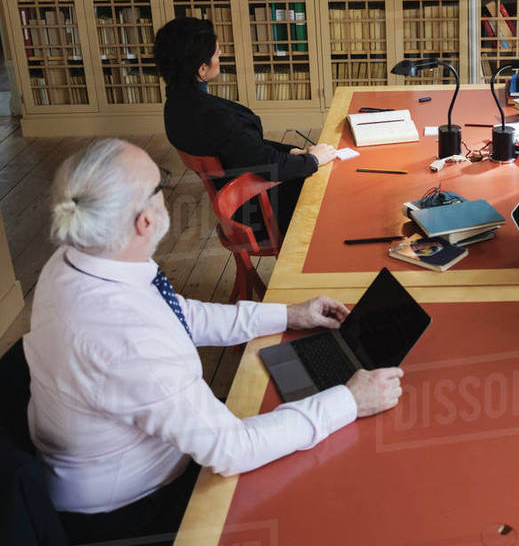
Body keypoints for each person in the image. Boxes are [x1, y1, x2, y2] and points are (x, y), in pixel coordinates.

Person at [25, 138, 403, 544]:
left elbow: (177, 314)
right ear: (145, 221)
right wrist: (350, 401)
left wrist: (288, 314)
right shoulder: (126, 340)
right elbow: (231, 450)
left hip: (141, 455)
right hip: (136, 509)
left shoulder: (79, 260)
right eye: (159, 186)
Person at [155, 16, 336, 239]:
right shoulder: (214, 118)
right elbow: (267, 164)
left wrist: (291, 151)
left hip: (239, 200)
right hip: (259, 211)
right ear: (202, 69)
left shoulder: (175, 107)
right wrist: (313, 160)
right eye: (216, 53)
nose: (221, 54)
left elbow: (244, 147)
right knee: (333, 184)